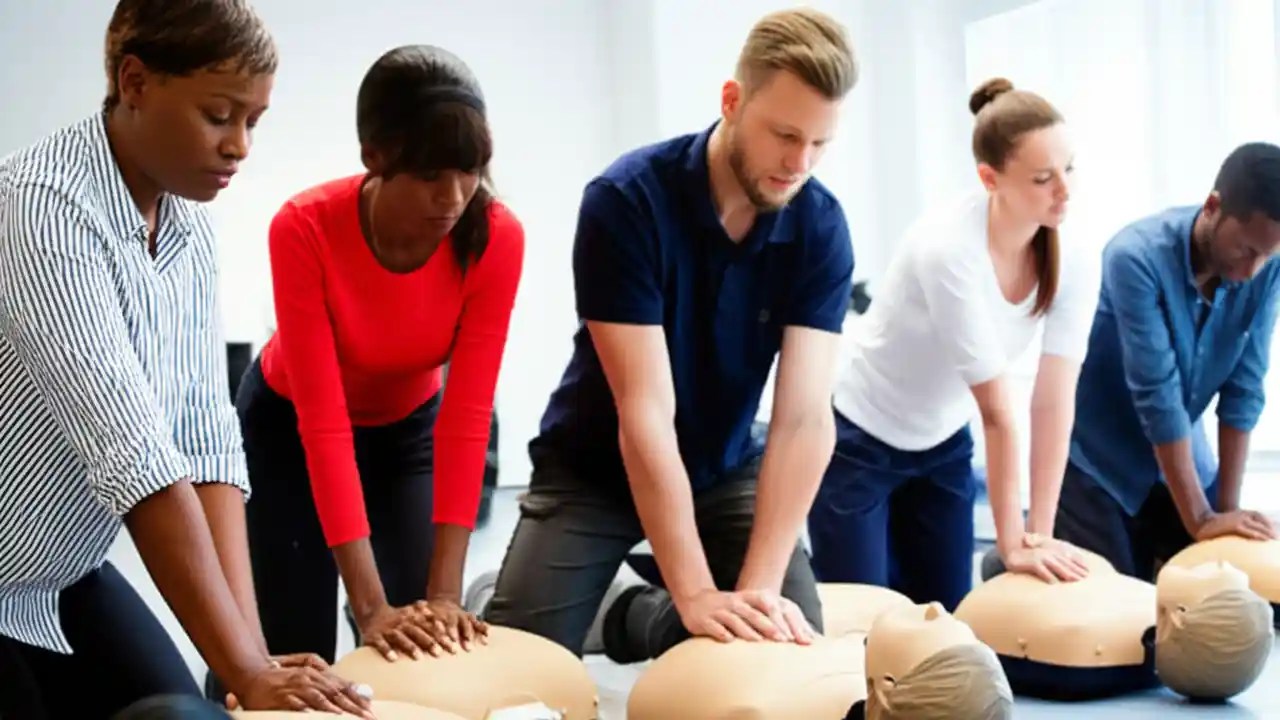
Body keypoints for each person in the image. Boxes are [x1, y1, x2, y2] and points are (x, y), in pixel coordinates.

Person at [0, 1, 372, 718]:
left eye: (253, 121)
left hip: (62, 573)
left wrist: (253, 661)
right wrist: (245, 669)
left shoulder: (189, 231)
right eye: (219, 115)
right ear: (134, 82)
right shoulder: (40, 207)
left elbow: (206, 441)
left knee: (187, 708)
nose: (240, 146)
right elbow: (134, 453)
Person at [477, 7, 858, 662]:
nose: (800, 163)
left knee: (786, 650)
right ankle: (582, 601)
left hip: (721, 467)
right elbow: (645, 413)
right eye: (784, 135)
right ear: (732, 101)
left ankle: (641, 610)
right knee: (524, 668)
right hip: (595, 468)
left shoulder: (820, 226)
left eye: (820, 144)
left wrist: (758, 590)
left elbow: (803, 419)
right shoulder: (626, 201)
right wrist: (695, 592)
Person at [237, 44, 523, 666]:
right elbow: (323, 425)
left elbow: (467, 417)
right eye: (430, 175)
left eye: (469, 171)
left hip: (407, 433)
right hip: (288, 431)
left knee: (424, 633)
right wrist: (370, 608)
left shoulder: (495, 235)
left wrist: (443, 596)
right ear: (375, 156)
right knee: (297, 652)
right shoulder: (303, 228)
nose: (454, 197)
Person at [807, 79, 1097, 613]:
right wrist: (1010, 543)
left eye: (1070, 168)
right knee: (865, 620)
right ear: (990, 179)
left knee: (947, 616)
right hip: (858, 439)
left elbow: (1054, 399)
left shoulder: (1076, 254)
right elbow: (998, 411)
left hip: (942, 443)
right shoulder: (946, 249)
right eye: (1042, 178)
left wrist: (1038, 535)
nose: (1065, 190)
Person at [1056, 141, 1280, 581]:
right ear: (1213, 207)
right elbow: (1158, 397)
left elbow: (1244, 388)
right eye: (1245, 250)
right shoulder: (1134, 257)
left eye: (1266, 256)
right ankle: (1010, 558)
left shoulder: (1268, 267)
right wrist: (1200, 519)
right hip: (1102, 465)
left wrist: (1225, 517)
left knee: (1225, 590)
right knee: (1125, 608)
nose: (1251, 271)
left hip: (1183, 455)